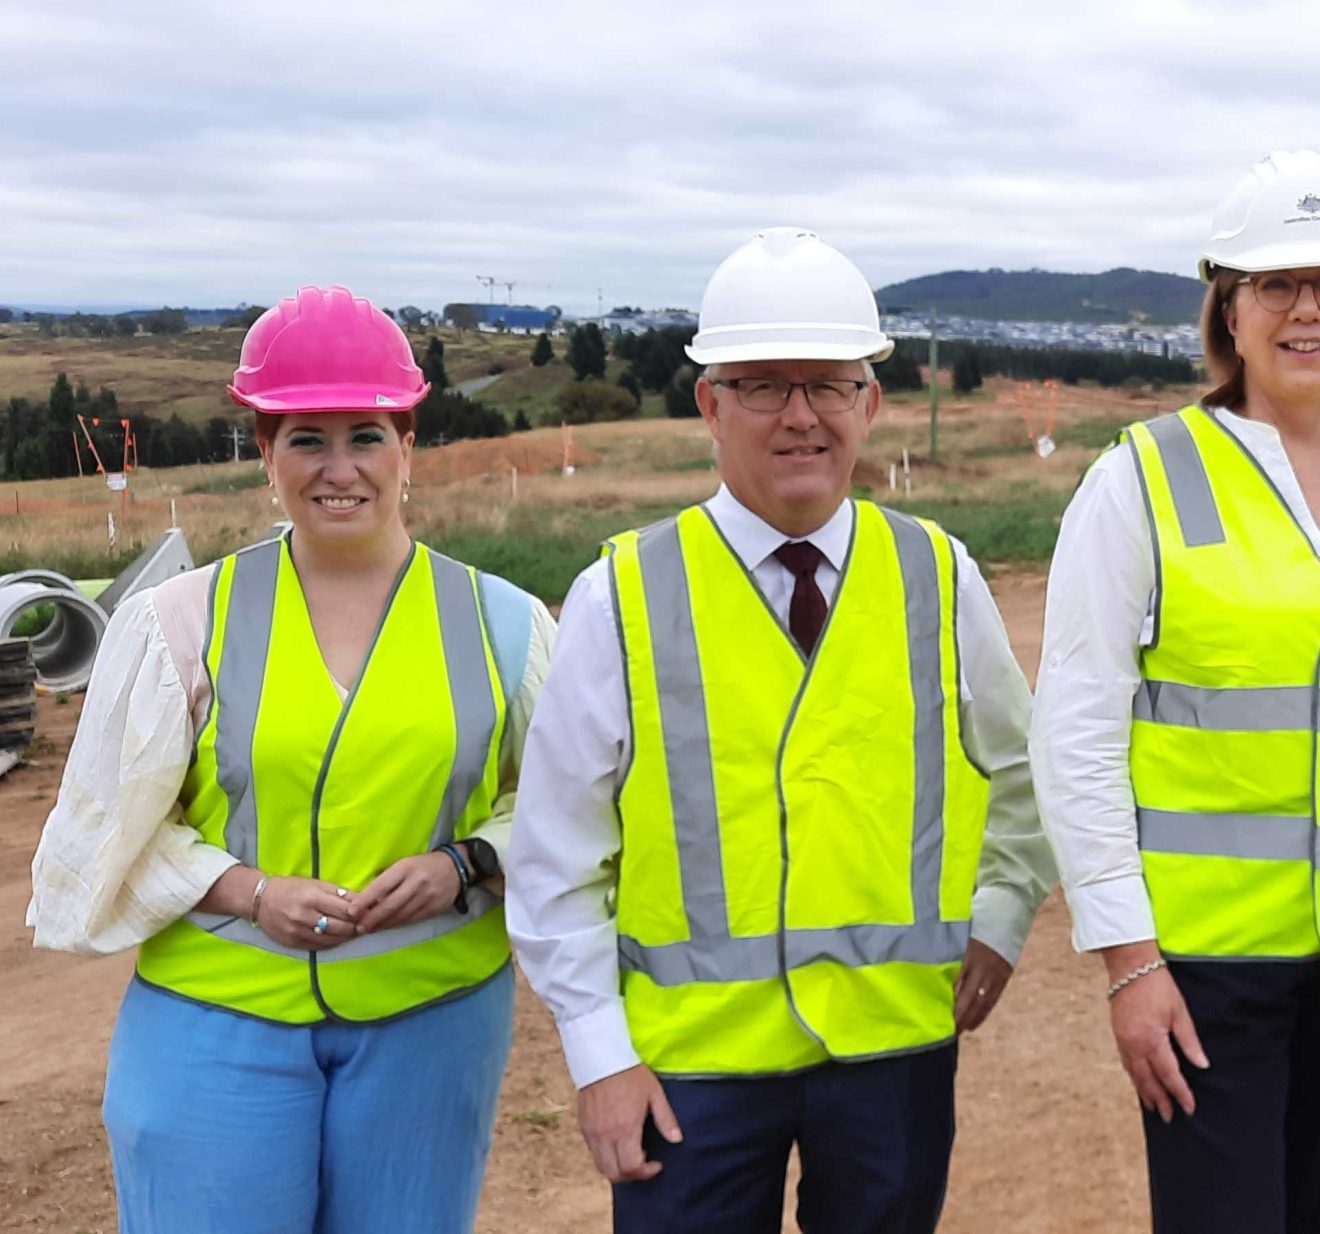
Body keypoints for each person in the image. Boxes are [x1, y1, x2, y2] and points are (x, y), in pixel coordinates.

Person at [508, 227, 1055, 1234]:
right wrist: (598, 1053)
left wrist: (1004, 909)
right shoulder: (620, 596)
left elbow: (1026, 770)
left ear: (870, 403)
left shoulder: (939, 576)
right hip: (690, 1065)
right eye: (763, 385)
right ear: (710, 403)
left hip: (891, 1050)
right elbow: (552, 854)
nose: (800, 415)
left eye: (829, 384)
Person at [27, 285, 556, 1233]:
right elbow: (104, 827)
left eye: (366, 434)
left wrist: (465, 863)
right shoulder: (177, 624)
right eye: (307, 438)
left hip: (431, 1024)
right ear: (264, 451)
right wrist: (248, 892)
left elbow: (568, 810)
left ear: (408, 445)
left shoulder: (508, 625)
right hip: (216, 1017)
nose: (339, 467)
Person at [1033, 151, 1320, 1233]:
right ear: (1226, 313)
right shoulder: (1138, 476)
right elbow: (1075, 727)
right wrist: (1127, 962)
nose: (1306, 309)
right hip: (1205, 964)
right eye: (1273, 284)